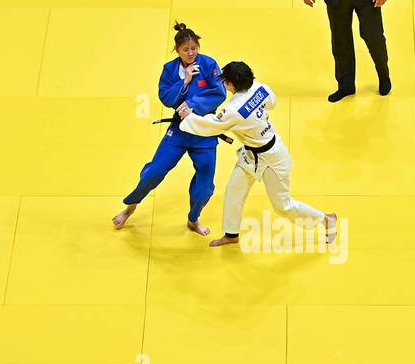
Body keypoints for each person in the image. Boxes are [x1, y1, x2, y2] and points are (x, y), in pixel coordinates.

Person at [178, 61, 337, 249]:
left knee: (282, 206)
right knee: (233, 193)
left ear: (231, 84)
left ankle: (326, 219)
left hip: (273, 158)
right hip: (250, 155)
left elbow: (212, 125)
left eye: (225, 81)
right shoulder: (259, 87)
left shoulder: (234, 109)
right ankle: (231, 234)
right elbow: (272, 102)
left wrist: (189, 116)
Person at [113, 22, 229, 235]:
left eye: (194, 48)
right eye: (185, 50)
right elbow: (165, 97)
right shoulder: (169, 69)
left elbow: (220, 92)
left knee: (205, 183)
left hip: (203, 133)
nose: (190, 53)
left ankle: (193, 220)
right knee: (154, 172)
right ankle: (130, 207)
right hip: (178, 131)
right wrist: (184, 82)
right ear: (177, 50)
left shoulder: (209, 64)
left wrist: (192, 105)